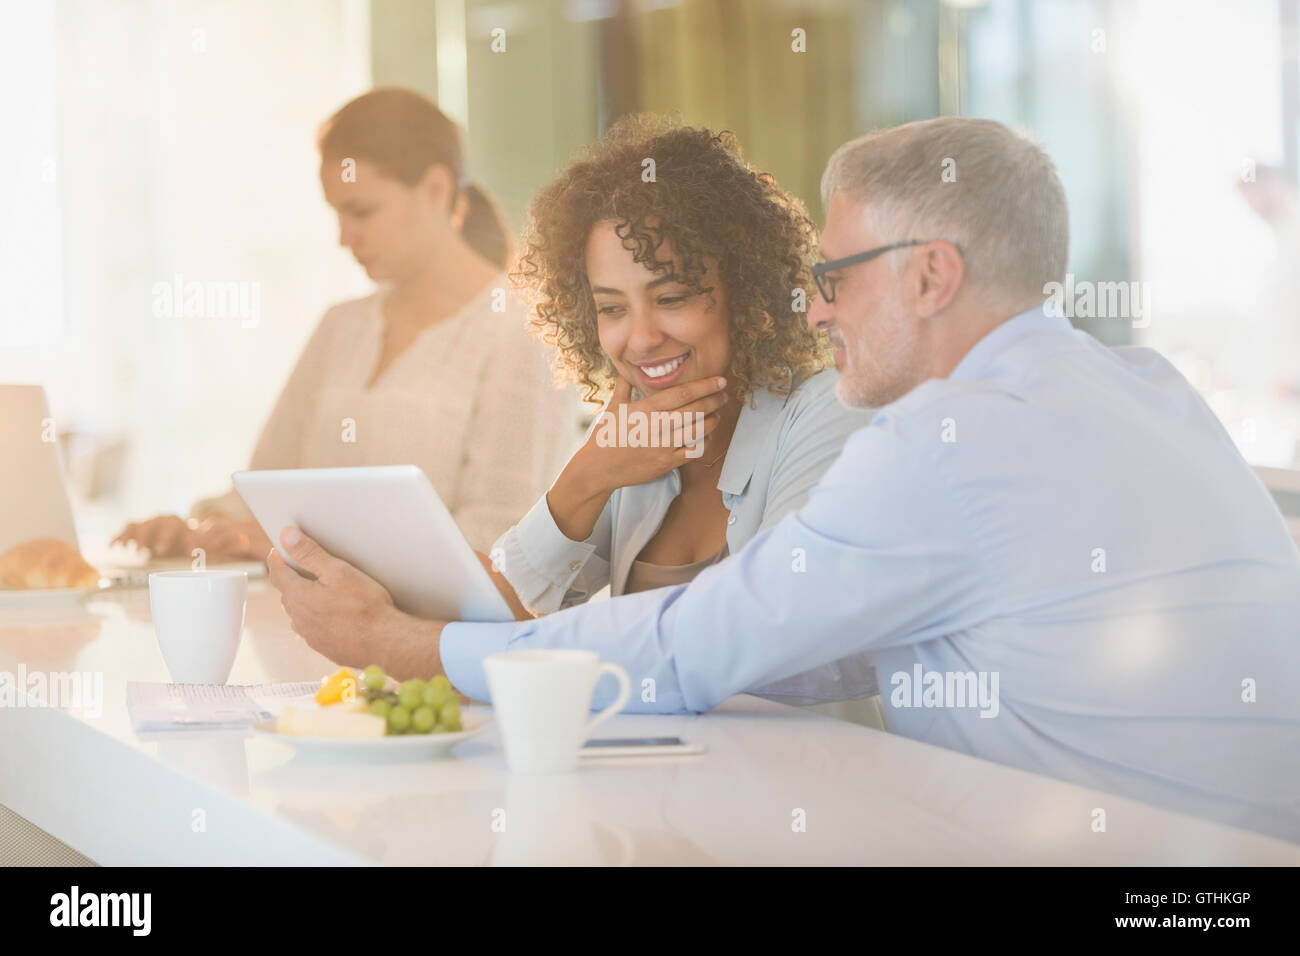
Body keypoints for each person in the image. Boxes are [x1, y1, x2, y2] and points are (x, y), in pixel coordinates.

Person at [266, 117, 1300, 842]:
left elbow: (704, 643)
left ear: (930, 275)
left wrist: (404, 646)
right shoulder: (1144, 384)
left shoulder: (943, 441)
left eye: (837, 277)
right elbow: (784, 651)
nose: (816, 311)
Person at [477, 115, 876, 703]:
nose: (639, 339)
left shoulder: (829, 416)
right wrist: (585, 480)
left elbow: (773, 637)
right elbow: (495, 616)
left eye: (670, 298)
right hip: (652, 786)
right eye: (611, 308)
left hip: (795, 786)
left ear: (744, 294)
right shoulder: (633, 442)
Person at [113, 87, 571, 559]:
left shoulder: (522, 331)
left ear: (435, 190)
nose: (343, 237)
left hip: (432, 633)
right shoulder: (341, 327)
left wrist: (302, 544)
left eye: (361, 211)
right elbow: (267, 487)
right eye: (335, 212)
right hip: (298, 620)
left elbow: (498, 537)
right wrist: (198, 528)